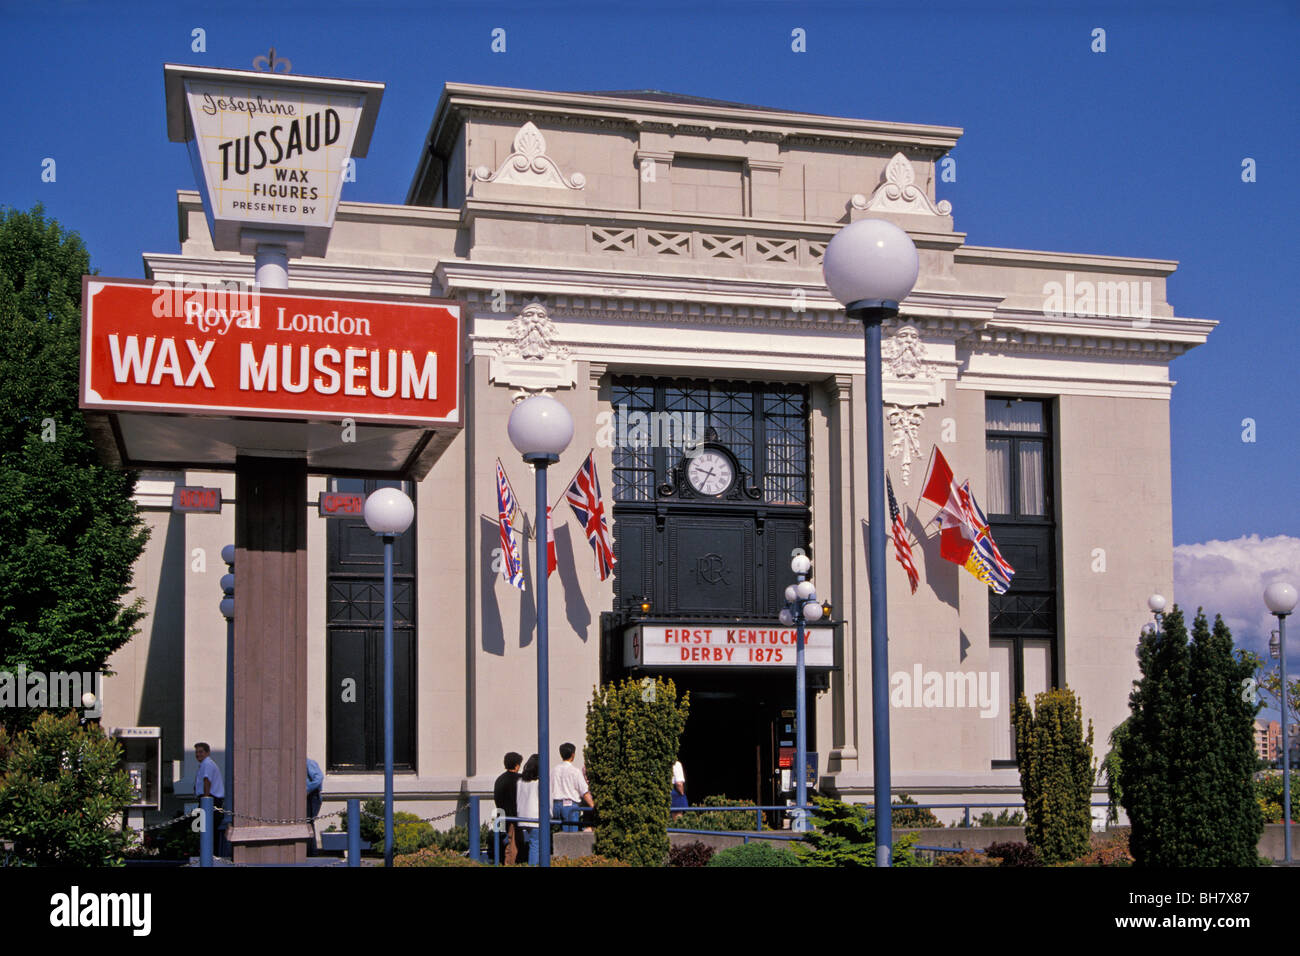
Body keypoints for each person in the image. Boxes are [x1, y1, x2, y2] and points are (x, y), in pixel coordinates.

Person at [551, 742, 594, 832]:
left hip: (556, 805)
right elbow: (584, 791)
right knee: (571, 836)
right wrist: (593, 806)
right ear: (573, 755)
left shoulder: (554, 770)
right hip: (570, 806)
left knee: (558, 833)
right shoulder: (575, 771)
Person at [193, 743, 225, 852]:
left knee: (208, 829)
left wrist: (206, 799)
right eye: (197, 752)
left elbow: (207, 781)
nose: (198, 754)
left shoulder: (207, 764)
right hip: (209, 800)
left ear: (207, 752)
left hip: (210, 800)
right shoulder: (205, 764)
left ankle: (210, 854)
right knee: (204, 828)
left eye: (201, 752)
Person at [493, 752, 523, 864]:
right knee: (512, 845)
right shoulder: (519, 779)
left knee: (502, 842)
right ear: (516, 765)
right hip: (512, 817)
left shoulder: (499, 779)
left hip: (500, 815)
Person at [516, 754, 541, 865]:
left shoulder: (521, 781)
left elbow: (518, 799)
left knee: (533, 843)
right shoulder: (540, 782)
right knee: (536, 845)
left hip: (523, 817)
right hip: (536, 818)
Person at [306, 758, 324, 855]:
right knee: (306, 822)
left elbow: (319, 778)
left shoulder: (308, 762)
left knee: (309, 822)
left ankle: (312, 851)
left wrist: (307, 789)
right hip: (308, 796)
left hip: (312, 796)